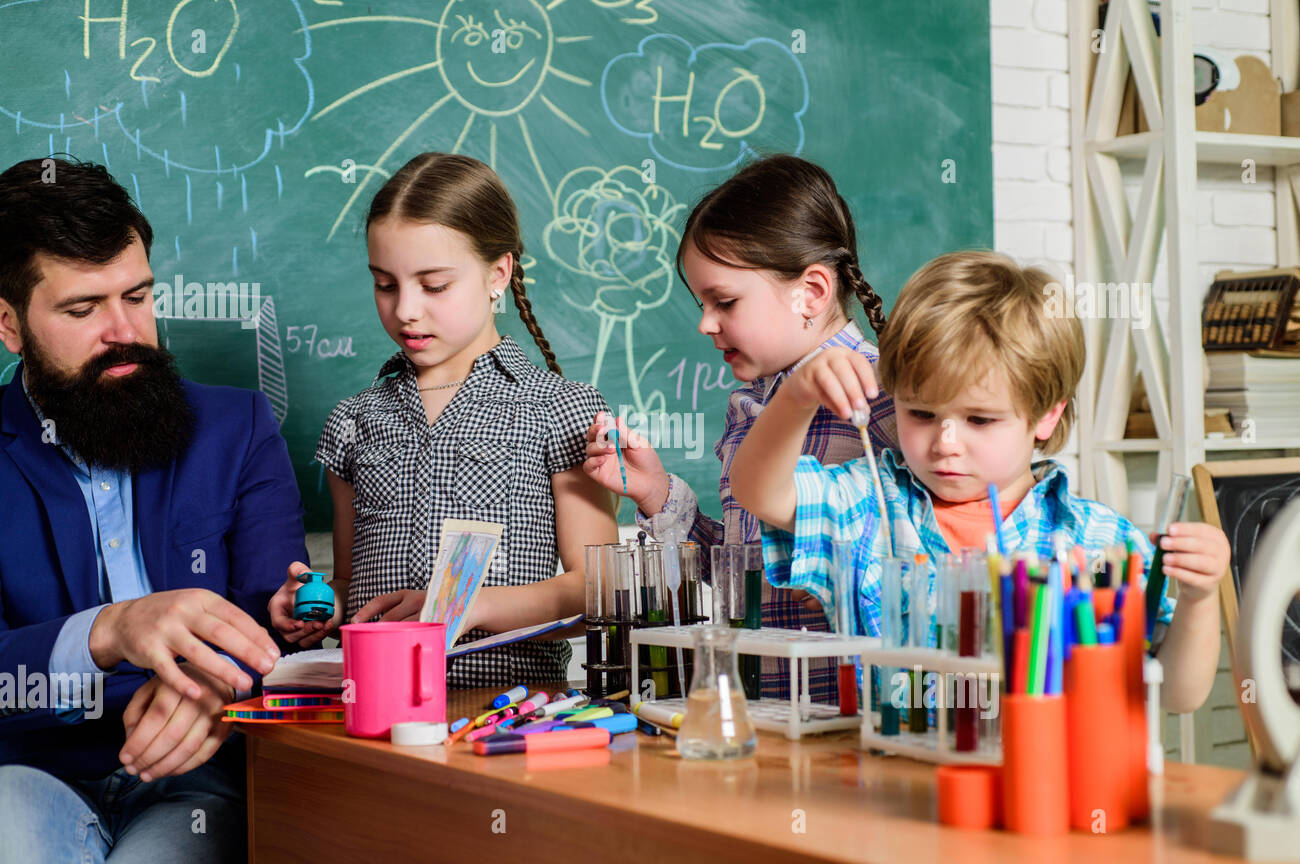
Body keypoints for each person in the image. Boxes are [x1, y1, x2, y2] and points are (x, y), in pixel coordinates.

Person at [731, 250, 1228, 712]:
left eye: (980, 420)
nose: (945, 442)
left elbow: (1178, 695)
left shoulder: (1097, 541)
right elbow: (758, 491)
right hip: (891, 791)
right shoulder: (868, 506)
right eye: (922, 413)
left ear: (1044, 418)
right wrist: (797, 395)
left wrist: (1200, 599)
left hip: (1046, 793)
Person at [0, 158, 308, 864]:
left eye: (138, 296)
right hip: (30, 772)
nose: (125, 331)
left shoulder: (239, 426)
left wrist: (216, 684)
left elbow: (280, 622)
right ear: (10, 324)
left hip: (196, 780)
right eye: (83, 310)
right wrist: (112, 629)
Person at [270, 153, 617, 687]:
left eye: (433, 286)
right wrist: (319, 603)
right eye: (385, 284)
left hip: (503, 711)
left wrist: (467, 605)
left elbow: (598, 590)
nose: (406, 309)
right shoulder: (353, 421)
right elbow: (347, 582)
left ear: (498, 273)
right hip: (372, 708)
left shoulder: (559, 409)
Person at [582, 154, 896, 703]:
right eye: (703, 303)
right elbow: (742, 577)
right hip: (760, 717)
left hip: (848, 722)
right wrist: (658, 494)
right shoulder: (749, 407)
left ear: (813, 293)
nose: (705, 323)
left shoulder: (888, 402)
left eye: (724, 301)